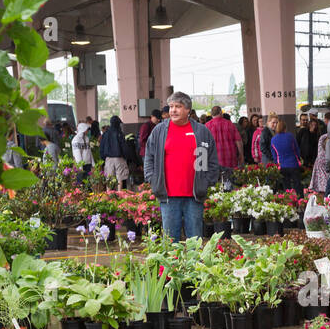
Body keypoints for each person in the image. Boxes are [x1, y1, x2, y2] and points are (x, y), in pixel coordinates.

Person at [142, 91, 219, 242]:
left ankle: (194, 266)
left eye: (178, 106)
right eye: (171, 106)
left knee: (195, 242)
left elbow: (211, 159)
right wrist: (152, 178)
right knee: (170, 242)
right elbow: (149, 157)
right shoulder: (159, 131)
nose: (173, 110)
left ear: (188, 110)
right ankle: (171, 267)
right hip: (168, 196)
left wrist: (207, 181)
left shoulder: (201, 131)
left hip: (194, 196)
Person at [206, 106, 243, 191]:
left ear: (211, 114)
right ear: (220, 113)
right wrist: (241, 155)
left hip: (213, 161)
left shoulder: (207, 126)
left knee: (216, 185)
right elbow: (238, 141)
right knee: (231, 182)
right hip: (230, 159)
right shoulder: (230, 124)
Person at [269, 116, 302, 193]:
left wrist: (277, 164)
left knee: (286, 185)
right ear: (285, 128)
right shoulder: (290, 136)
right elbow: (296, 149)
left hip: (282, 166)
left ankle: (289, 201)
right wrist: (299, 159)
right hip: (293, 164)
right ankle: (301, 200)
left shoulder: (273, 139)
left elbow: (274, 155)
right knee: (297, 184)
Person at [99, 115, 130, 189]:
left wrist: (104, 158)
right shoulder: (120, 133)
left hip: (108, 159)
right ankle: (119, 195)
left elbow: (101, 148)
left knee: (109, 179)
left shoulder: (105, 134)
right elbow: (124, 147)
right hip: (119, 159)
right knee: (120, 178)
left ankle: (108, 195)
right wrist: (126, 157)